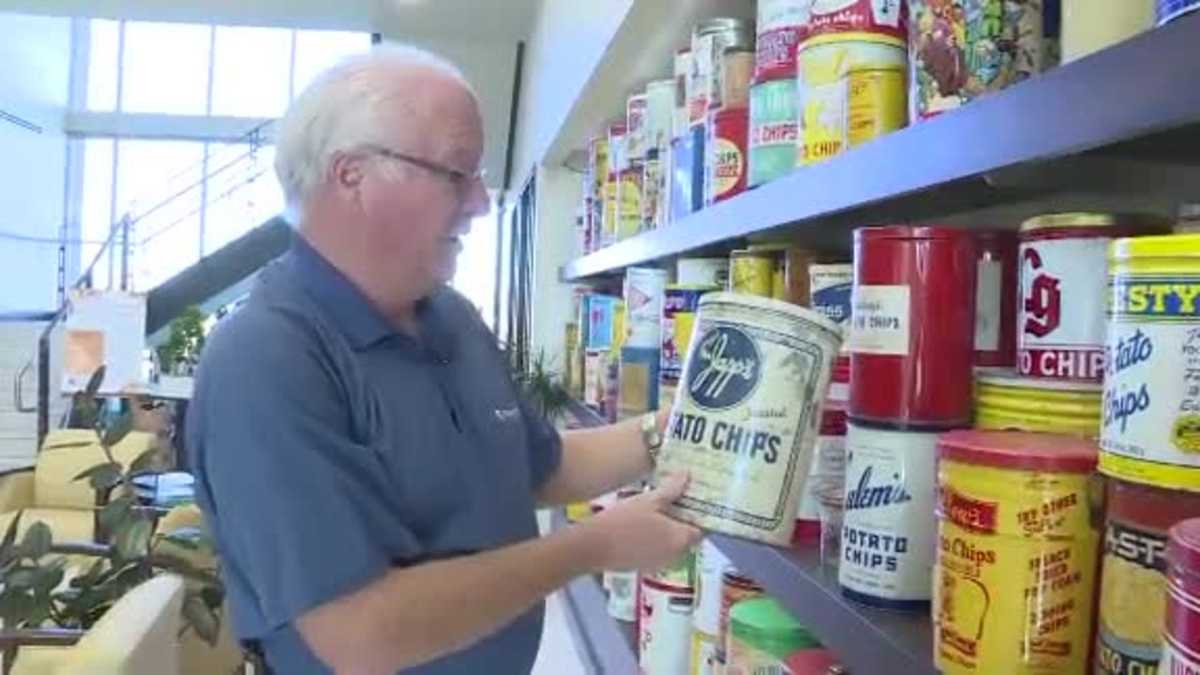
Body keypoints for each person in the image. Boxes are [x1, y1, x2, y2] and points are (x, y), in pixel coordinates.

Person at [187, 45, 701, 675]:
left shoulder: (450, 317)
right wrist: (590, 547)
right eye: (457, 172)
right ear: (352, 176)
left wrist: (680, 432)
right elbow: (361, 633)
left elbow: (535, 466)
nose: (481, 201)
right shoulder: (266, 359)